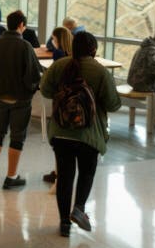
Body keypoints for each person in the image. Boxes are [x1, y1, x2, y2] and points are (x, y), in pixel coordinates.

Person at [40, 31, 121, 237]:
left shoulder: (59, 66)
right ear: (93, 49)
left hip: (60, 131)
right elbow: (113, 104)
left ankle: (64, 223)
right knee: (87, 172)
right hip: (89, 133)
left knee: (65, 177)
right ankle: (79, 208)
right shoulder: (100, 71)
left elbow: (45, 90)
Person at [0, 10, 41, 190]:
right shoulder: (26, 47)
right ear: (21, 25)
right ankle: (11, 176)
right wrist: (31, 90)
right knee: (17, 136)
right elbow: (34, 74)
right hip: (21, 99)